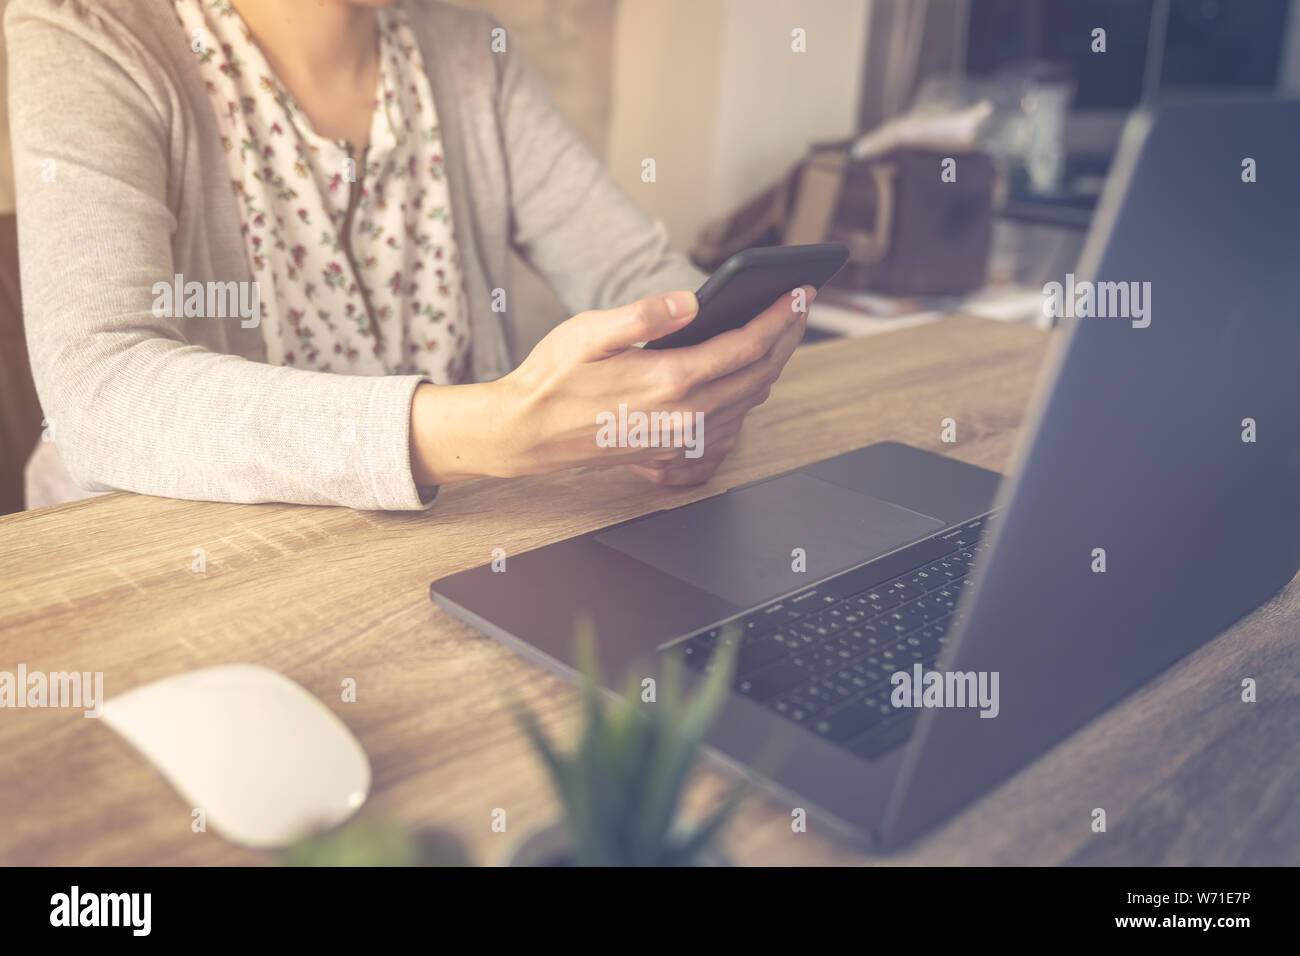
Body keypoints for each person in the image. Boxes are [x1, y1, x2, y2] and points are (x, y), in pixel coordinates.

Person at [8, 0, 808, 510]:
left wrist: (688, 391)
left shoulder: (467, 49)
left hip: (429, 547)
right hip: (142, 563)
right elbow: (96, 393)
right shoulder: (86, 33)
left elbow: (637, 275)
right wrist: (491, 431)